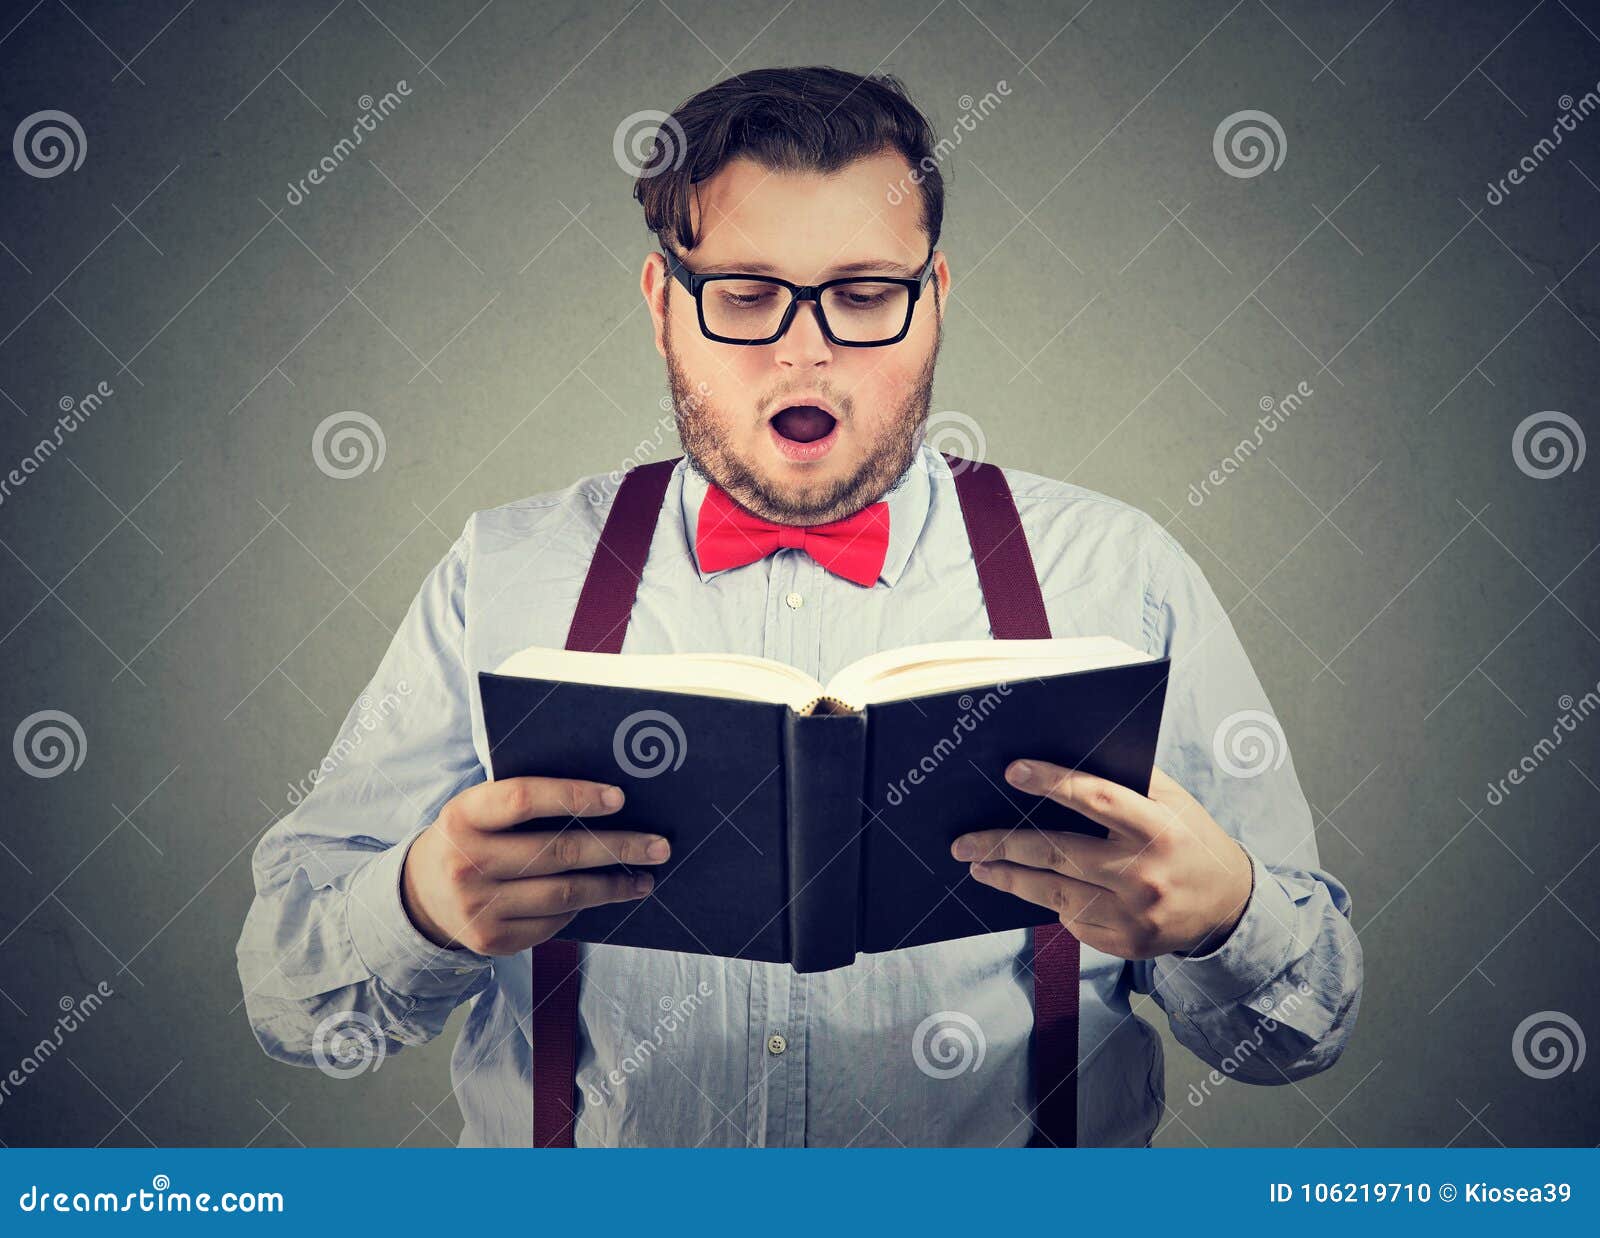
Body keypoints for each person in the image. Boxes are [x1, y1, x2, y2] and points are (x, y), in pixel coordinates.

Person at [235, 65, 1362, 1148]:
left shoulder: (1122, 572)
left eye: (865, 294)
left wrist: (1224, 916)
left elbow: (1297, 1031)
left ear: (936, 297)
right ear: (661, 304)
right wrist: (420, 903)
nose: (805, 348)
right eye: (745, 294)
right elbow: (296, 1004)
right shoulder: (503, 569)